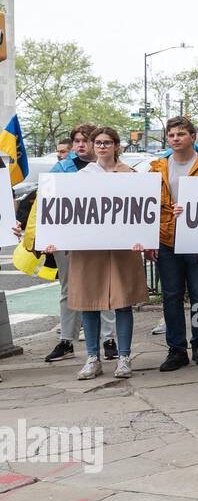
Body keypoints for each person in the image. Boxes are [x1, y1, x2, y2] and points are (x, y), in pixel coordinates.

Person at [58, 128, 148, 380]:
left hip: (122, 248)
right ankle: (92, 357)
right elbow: (69, 212)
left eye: (107, 142)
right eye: (97, 142)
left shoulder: (130, 175)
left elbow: (140, 211)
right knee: (89, 302)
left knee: (122, 302)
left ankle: (124, 358)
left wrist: (143, 237)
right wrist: (57, 238)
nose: (101, 147)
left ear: (117, 145)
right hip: (89, 249)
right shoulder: (82, 176)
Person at [148, 117, 198, 371]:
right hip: (166, 240)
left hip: (197, 242)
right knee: (170, 297)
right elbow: (147, 208)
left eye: (181, 134)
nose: (175, 139)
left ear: (193, 137)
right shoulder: (157, 168)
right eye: (171, 135)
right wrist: (150, 241)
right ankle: (176, 349)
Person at [45, 124, 116, 363]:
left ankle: (109, 339)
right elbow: (47, 203)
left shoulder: (110, 168)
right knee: (68, 288)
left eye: (85, 140)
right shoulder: (62, 167)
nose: (80, 144)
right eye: (76, 140)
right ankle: (67, 340)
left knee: (105, 287)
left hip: (102, 237)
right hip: (68, 239)